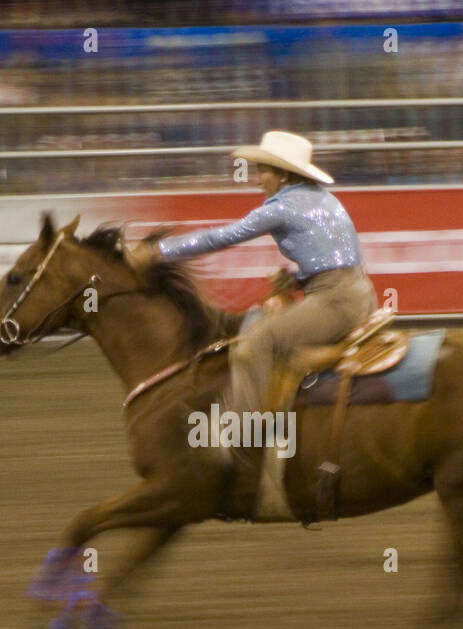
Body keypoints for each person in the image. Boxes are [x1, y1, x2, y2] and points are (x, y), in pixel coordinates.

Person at [124, 130, 377, 441]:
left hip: (334, 301)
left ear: (283, 175)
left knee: (255, 344)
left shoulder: (281, 207)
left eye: (263, 171)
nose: (258, 180)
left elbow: (221, 237)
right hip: (358, 294)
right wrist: (298, 281)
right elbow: (335, 260)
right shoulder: (324, 198)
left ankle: (236, 435)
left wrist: (157, 251)